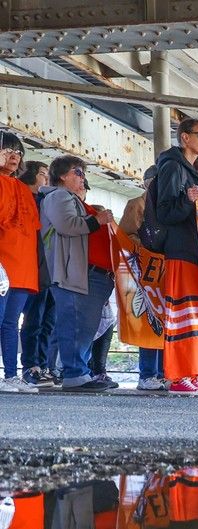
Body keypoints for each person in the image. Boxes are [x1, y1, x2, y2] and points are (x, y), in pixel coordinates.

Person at [155, 118, 198, 395]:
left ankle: (191, 372)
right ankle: (178, 374)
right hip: (180, 251)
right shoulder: (173, 167)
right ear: (184, 138)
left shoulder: (191, 171)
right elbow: (165, 212)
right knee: (183, 314)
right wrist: (188, 200)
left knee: (194, 315)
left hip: (194, 252)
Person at [39, 156, 116, 392]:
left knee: (84, 326)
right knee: (75, 324)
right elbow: (67, 225)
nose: (83, 178)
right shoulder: (59, 196)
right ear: (62, 175)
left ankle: (79, 371)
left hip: (87, 275)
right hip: (74, 273)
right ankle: (75, 374)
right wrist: (98, 220)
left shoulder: (71, 199)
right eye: (78, 172)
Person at [0, 133, 42, 393]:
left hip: (22, 268)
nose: (15, 155)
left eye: (18, 151)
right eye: (8, 149)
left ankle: (12, 376)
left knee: (9, 322)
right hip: (3, 265)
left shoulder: (23, 189)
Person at [119, 165, 167, 391]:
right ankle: (148, 374)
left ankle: (164, 372)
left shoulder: (166, 206)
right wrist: (145, 252)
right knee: (149, 321)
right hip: (146, 269)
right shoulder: (137, 204)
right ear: (146, 182)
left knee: (166, 323)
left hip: (165, 271)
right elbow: (126, 235)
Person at [17, 160, 59, 389]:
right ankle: (30, 366)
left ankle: (43, 366)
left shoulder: (47, 201)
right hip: (33, 268)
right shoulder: (26, 201)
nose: (46, 179)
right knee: (34, 319)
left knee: (48, 321)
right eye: (43, 174)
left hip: (50, 269)